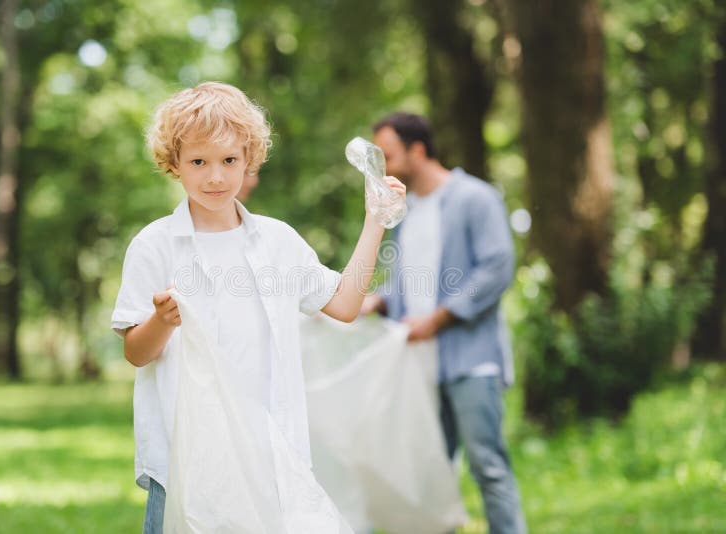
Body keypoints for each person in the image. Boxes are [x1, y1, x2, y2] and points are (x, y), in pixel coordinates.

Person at [110, 81, 405, 533]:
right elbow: (136, 352)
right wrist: (161, 322)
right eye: (198, 162)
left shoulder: (278, 242)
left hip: (270, 455)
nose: (215, 176)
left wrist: (375, 221)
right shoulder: (155, 246)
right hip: (186, 461)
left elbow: (346, 304)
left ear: (250, 159)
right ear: (174, 164)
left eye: (229, 160)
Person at [362, 112, 526, 534]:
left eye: (389, 155)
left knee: (488, 467)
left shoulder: (475, 198)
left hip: (472, 361)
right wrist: (376, 302)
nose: (382, 167)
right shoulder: (406, 212)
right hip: (421, 365)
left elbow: (496, 268)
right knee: (432, 475)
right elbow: (407, 283)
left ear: (418, 150)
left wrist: (437, 320)